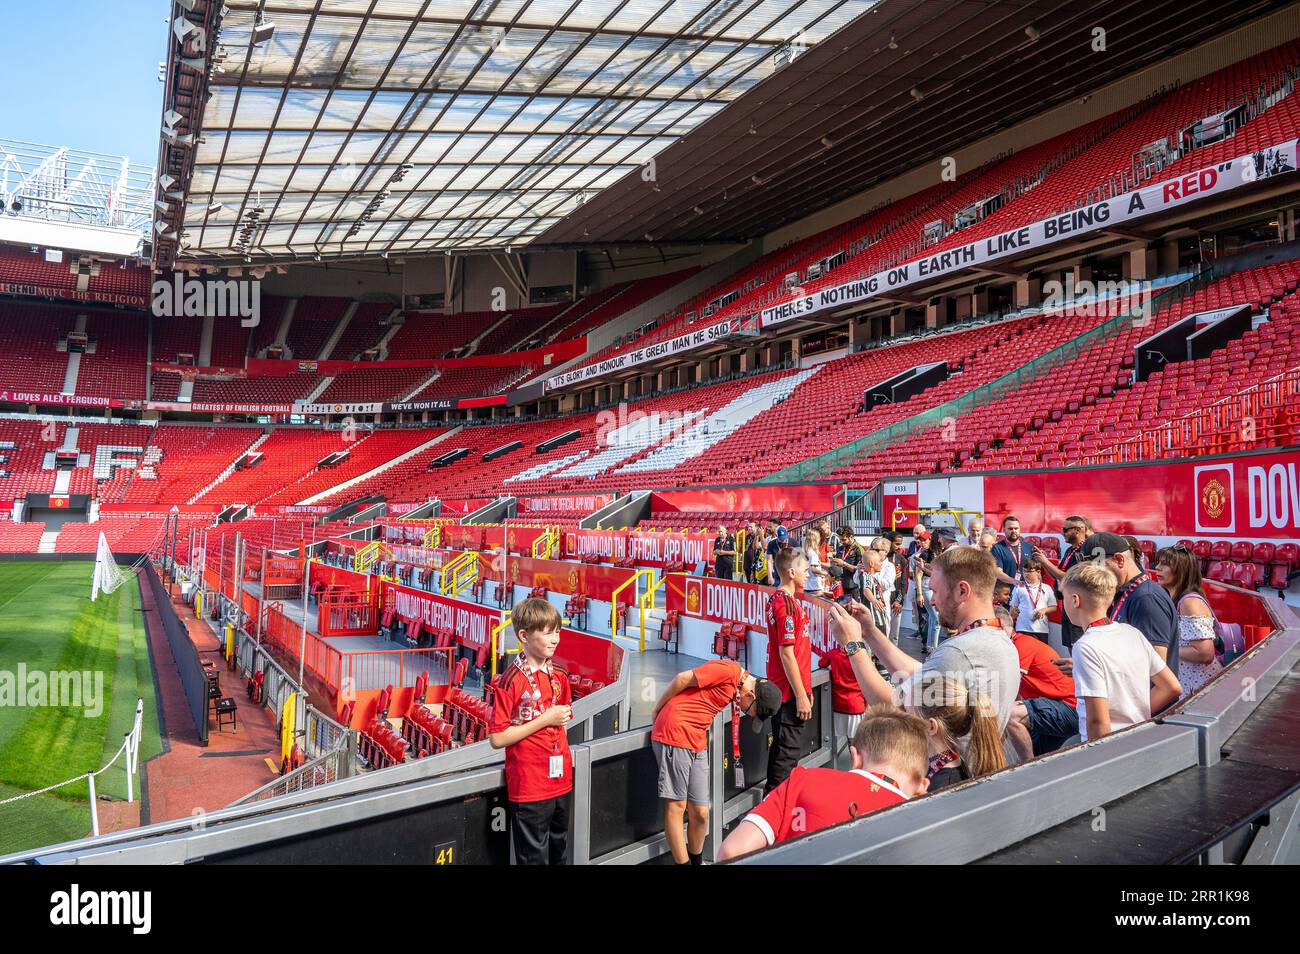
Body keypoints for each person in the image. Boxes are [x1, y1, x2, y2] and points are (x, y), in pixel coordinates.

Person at [846, 546, 1022, 748]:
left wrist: (852, 643)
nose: (933, 600)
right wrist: (869, 632)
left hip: (948, 775)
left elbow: (891, 705)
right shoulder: (998, 640)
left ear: (962, 591)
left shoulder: (959, 652)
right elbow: (922, 673)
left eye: (936, 591)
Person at [716, 707, 929, 860]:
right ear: (922, 785)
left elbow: (731, 852)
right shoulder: (924, 824)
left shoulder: (803, 781)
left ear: (856, 757)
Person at [651, 659, 783, 865]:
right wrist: (656, 710)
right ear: (750, 695)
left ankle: (697, 861)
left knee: (701, 812)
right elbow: (682, 678)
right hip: (675, 730)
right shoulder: (728, 672)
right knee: (677, 805)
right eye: (751, 711)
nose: (747, 713)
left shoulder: (741, 683)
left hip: (697, 738)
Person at [489, 597, 574, 865]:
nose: (555, 639)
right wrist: (545, 719)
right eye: (548, 632)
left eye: (557, 631)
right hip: (529, 785)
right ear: (524, 636)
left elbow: (563, 724)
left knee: (559, 852)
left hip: (561, 780)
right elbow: (498, 738)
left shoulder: (560, 674)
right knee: (533, 858)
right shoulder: (510, 680)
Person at [1060, 562, 1181, 742]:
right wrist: (1135, 718)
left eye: (1063, 597)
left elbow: (1097, 722)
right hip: (1134, 737)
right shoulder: (1131, 632)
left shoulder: (1085, 647)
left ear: (1075, 600)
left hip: (1106, 750)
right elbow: (1171, 687)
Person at [1080, 531, 1179, 691]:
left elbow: (1154, 670)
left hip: (1144, 708)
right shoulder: (1130, 592)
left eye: (1100, 571)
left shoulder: (1146, 599)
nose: (1096, 580)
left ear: (1119, 560)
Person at [996, 606, 1079, 759]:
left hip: (1069, 707)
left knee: (1010, 714)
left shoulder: (1020, 645)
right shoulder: (1011, 646)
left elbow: (1006, 691)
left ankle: (1027, 767)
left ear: (999, 627)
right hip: (1052, 705)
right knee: (1037, 755)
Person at [764, 547, 814, 796]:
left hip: (787, 692)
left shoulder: (780, 599)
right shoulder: (785, 605)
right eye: (805, 570)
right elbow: (787, 653)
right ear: (792, 572)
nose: (809, 574)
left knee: (782, 759)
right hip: (788, 697)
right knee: (783, 769)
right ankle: (772, 825)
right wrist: (801, 694)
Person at [1154, 545, 1223, 697]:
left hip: (1201, 691)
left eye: (1164, 564)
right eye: (1158, 562)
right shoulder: (1176, 600)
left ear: (1182, 570)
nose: (1157, 568)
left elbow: (1204, 654)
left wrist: (1160, 651)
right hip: (1190, 687)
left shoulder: (1190, 603)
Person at [1035, 515, 1091, 649]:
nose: (1062, 533)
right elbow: (1057, 576)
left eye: (1065, 530)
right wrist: (1043, 563)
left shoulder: (1086, 551)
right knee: (1070, 644)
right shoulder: (1070, 550)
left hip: (1079, 605)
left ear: (1077, 530)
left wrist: (1045, 561)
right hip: (1067, 603)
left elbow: (1070, 578)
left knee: (1078, 646)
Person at [815, 643, 866, 767]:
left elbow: (821, 663)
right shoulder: (860, 655)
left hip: (840, 705)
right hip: (856, 704)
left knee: (848, 740)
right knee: (857, 742)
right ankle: (858, 769)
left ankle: (855, 768)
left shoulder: (834, 654)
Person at [1009, 561, 1056, 643]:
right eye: (1024, 571)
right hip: (1022, 628)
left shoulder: (1047, 588)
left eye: (1030, 572)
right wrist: (1013, 612)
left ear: (1038, 572)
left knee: (1041, 653)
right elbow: (1013, 607)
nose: (1026, 574)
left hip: (1041, 629)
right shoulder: (1019, 587)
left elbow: (1054, 607)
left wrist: (1044, 610)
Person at [991, 515, 1034, 586]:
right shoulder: (997, 548)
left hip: (1026, 591)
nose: (1014, 531)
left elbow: (1035, 571)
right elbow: (998, 573)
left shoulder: (1029, 547)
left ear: (1019, 529)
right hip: (1006, 592)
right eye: (1010, 529)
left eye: (1016, 528)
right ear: (1004, 530)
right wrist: (1015, 582)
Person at [883, 531, 909, 645]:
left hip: (895, 601)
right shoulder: (879, 558)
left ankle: (892, 659)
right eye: (897, 544)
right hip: (881, 601)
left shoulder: (901, 559)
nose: (899, 547)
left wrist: (899, 600)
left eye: (900, 544)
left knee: (894, 635)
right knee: (882, 632)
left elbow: (903, 582)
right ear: (889, 542)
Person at [829, 526, 864, 602]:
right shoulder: (841, 548)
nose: (842, 542)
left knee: (854, 611)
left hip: (854, 588)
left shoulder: (859, 549)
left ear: (851, 537)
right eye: (840, 539)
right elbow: (837, 565)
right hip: (841, 586)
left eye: (844, 540)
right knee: (843, 609)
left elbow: (860, 569)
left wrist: (844, 564)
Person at [802, 528, 831, 596]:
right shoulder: (813, 553)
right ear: (815, 539)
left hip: (807, 585)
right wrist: (824, 573)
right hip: (815, 585)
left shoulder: (805, 551)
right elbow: (813, 569)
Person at [765, 521, 784, 586]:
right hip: (771, 571)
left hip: (780, 572)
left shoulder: (780, 539)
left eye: (770, 527)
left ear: (776, 527)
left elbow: (765, 547)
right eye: (768, 526)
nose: (768, 528)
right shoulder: (768, 539)